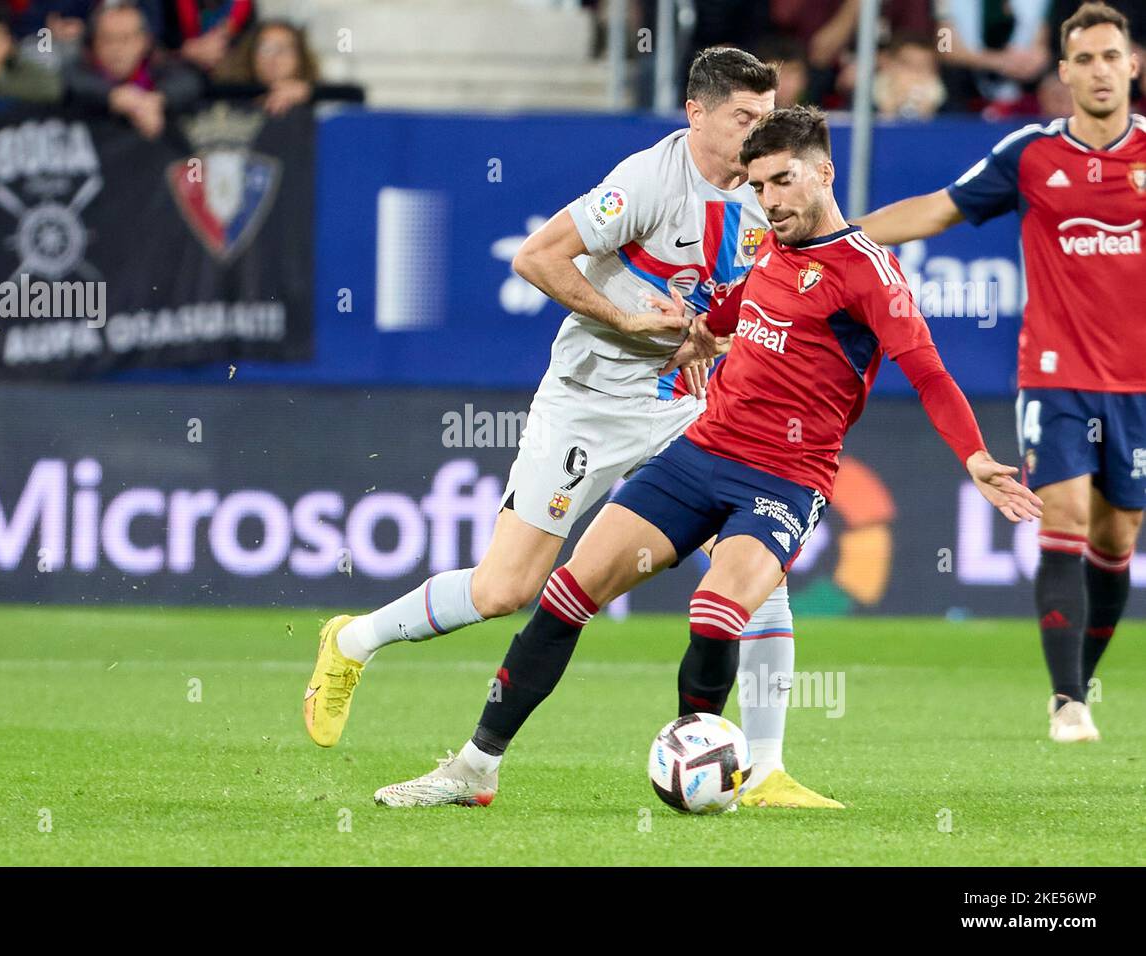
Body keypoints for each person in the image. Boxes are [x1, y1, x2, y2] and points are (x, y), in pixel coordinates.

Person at [371, 104, 1041, 809]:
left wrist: (973, 456)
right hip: (699, 453)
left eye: (784, 181)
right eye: (759, 187)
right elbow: (730, 310)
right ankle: (476, 768)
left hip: (783, 483)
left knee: (716, 612)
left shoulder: (870, 273)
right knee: (569, 592)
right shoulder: (771, 254)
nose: (771, 201)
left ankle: (706, 765)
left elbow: (929, 371)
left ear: (823, 172)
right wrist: (693, 334)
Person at [306, 48, 846, 812]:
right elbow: (538, 257)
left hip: (692, 403)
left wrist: (715, 344)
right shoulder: (646, 183)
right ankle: (353, 641)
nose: (762, 136)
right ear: (697, 114)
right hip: (592, 400)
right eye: (744, 120)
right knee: (505, 590)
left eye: (769, 118)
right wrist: (631, 318)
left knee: (757, 568)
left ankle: (765, 771)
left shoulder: (768, 191)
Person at [857, 2, 1144, 744]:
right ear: (1064, 73)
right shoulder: (1031, 155)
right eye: (1084, 59)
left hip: (1138, 387)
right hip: (1056, 372)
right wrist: (843, 239)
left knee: (1117, 539)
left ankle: (1083, 678)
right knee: (1067, 516)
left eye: (1111, 56)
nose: (1100, 70)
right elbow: (939, 211)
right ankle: (1067, 700)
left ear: (1133, 64)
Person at [63, 1, 201, 139]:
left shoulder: (158, 67)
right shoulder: (82, 71)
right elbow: (71, 80)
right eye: (107, 39)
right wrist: (114, 96)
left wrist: (155, 101)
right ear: (93, 44)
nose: (117, 49)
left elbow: (188, 81)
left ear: (144, 41)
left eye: (126, 38)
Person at [209, 19, 362, 113]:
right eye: (265, 49)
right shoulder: (230, 92)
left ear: (300, 57)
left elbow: (355, 94)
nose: (274, 58)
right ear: (251, 55)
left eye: (284, 49)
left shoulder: (312, 94)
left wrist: (307, 92)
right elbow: (204, 92)